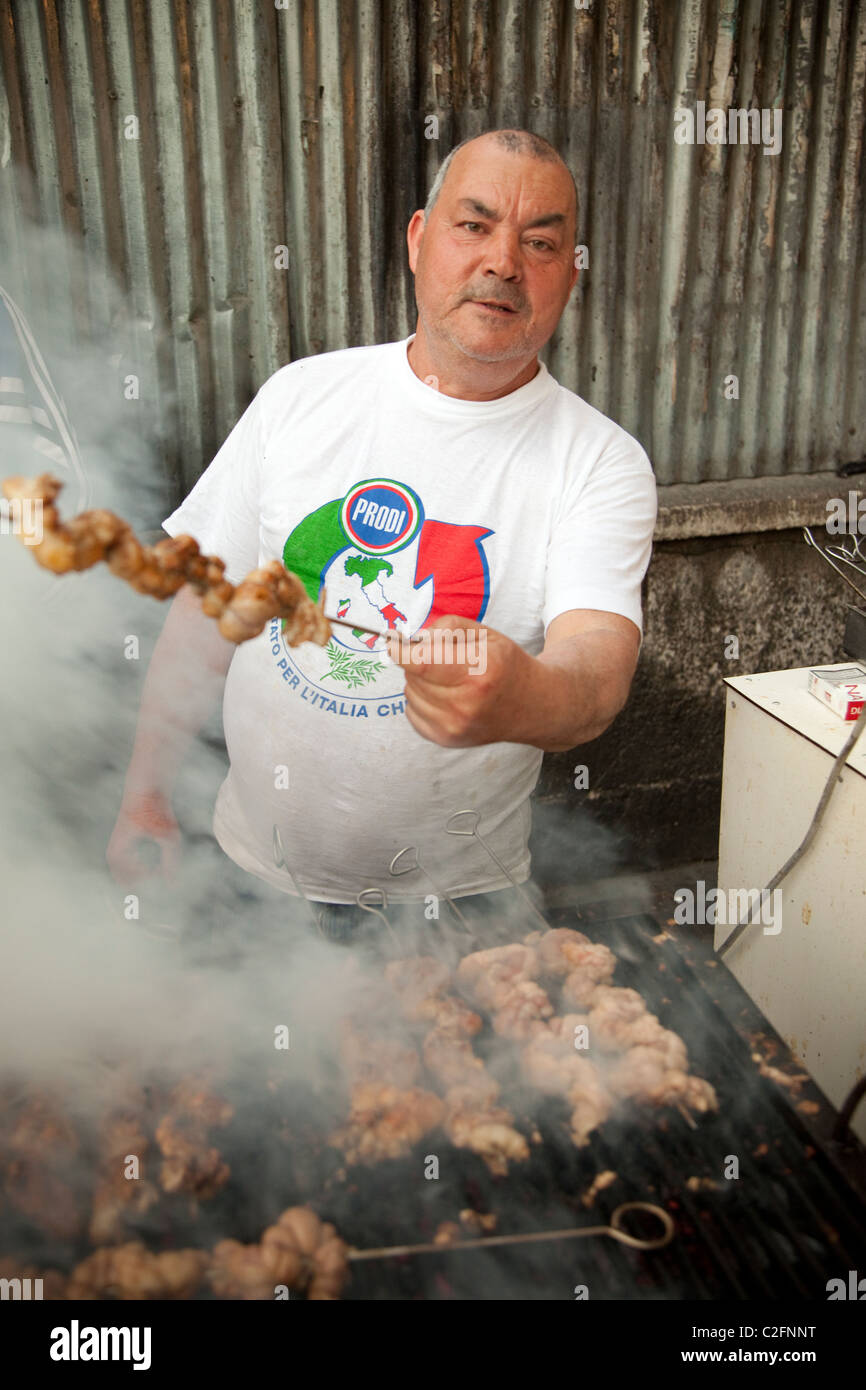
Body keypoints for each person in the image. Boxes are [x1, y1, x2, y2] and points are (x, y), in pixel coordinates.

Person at [106, 129, 657, 941]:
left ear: (570, 274)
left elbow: (594, 677)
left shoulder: (600, 462)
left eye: (541, 241)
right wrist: (146, 798)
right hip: (250, 878)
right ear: (418, 238)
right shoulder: (301, 398)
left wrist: (521, 695)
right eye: (474, 226)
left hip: (460, 912)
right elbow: (202, 614)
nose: (504, 260)